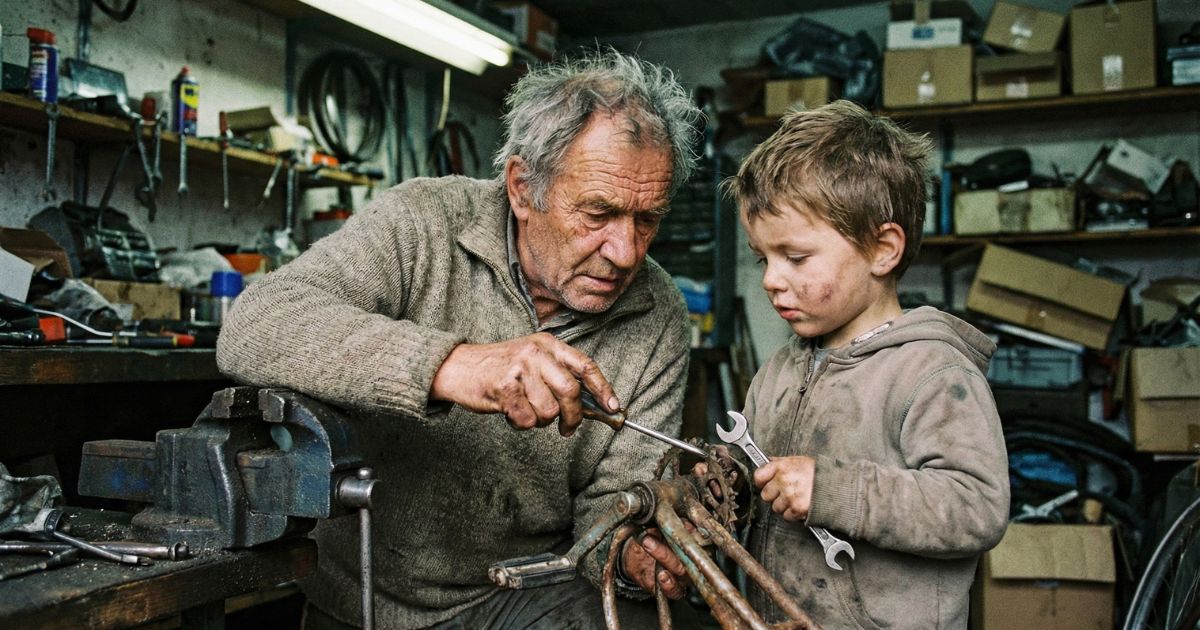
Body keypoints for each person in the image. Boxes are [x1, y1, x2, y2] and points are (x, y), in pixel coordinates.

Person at [216, 50, 701, 629]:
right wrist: (452, 365)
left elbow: (614, 505)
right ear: (523, 188)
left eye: (646, 220)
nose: (625, 252)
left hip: (524, 594)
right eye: (598, 213)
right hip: (364, 594)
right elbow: (257, 323)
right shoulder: (423, 222)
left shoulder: (659, 311)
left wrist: (629, 558)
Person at [722, 100, 1010, 629]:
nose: (770, 279)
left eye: (796, 257)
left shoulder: (933, 373)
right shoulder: (779, 372)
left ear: (882, 250)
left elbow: (977, 508)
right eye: (764, 259)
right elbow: (758, 475)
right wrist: (724, 481)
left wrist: (833, 491)